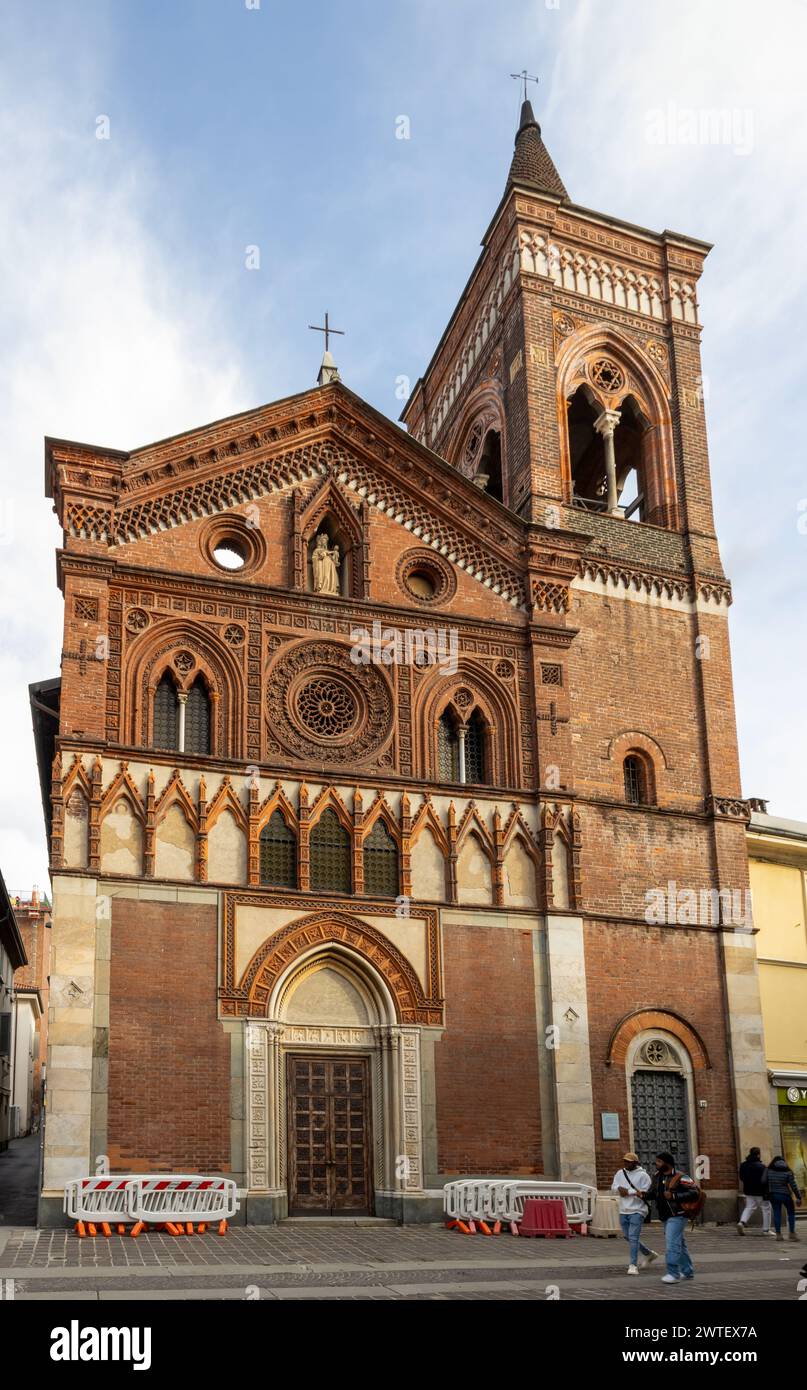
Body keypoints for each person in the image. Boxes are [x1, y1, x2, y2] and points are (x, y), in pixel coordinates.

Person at [651, 1151, 699, 1283]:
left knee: (672, 1243)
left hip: (678, 1215)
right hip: (666, 1215)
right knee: (680, 1244)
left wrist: (675, 1196)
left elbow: (695, 1192)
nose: (657, 1164)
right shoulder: (657, 1176)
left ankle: (673, 1273)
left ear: (667, 1163)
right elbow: (653, 1193)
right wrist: (643, 1195)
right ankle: (688, 1271)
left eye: (659, 1161)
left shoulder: (681, 1177)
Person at [611, 1151, 658, 1275]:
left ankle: (633, 1265)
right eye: (625, 1161)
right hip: (623, 1209)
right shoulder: (620, 1173)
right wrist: (619, 1189)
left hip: (638, 1209)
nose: (626, 1163)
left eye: (629, 1162)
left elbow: (646, 1192)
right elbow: (614, 1187)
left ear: (635, 1163)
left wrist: (628, 1191)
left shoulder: (643, 1175)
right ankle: (648, 1253)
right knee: (628, 1236)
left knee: (633, 1237)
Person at [737, 1146, 773, 1235]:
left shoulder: (743, 1165)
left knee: (749, 1207)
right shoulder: (762, 1167)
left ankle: (741, 1222)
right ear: (758, 1155)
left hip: (748, 1191)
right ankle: (766, 1230)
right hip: (761, 1192)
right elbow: (765, 1180)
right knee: (766, 1209)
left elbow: (741, 1177)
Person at [766, 1155, 802, 1241]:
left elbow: (766, 1183)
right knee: (791, 1213)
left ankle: (778, 1235)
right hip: (786, 1195)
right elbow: (793, 1186)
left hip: (773, 1195)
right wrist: (798, 1197)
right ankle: (792, 1234)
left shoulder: (769, 1171)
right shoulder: (788, 1171)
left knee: (777, 1213)